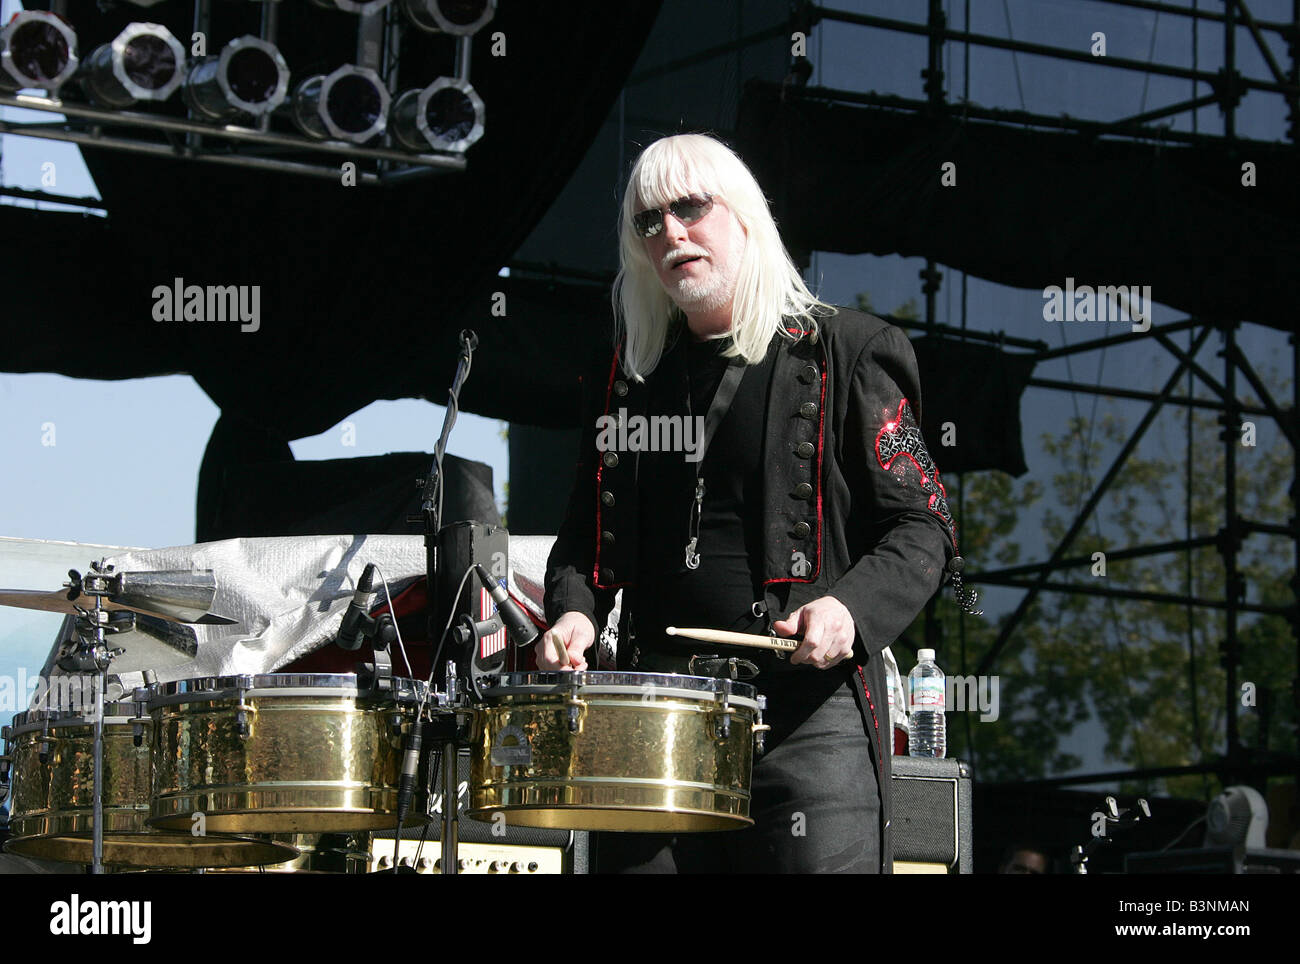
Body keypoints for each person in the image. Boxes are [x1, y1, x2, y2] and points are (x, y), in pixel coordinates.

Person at [538, 133, 973, 873]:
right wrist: (574, 609)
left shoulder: (852, 350)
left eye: (689, 207)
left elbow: (923, 523)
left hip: (806, 723)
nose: (670, 232)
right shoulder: (629, 379)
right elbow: (588, 533)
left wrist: (848, 611)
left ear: (742, 215)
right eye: (648, 221)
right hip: (655, 723)